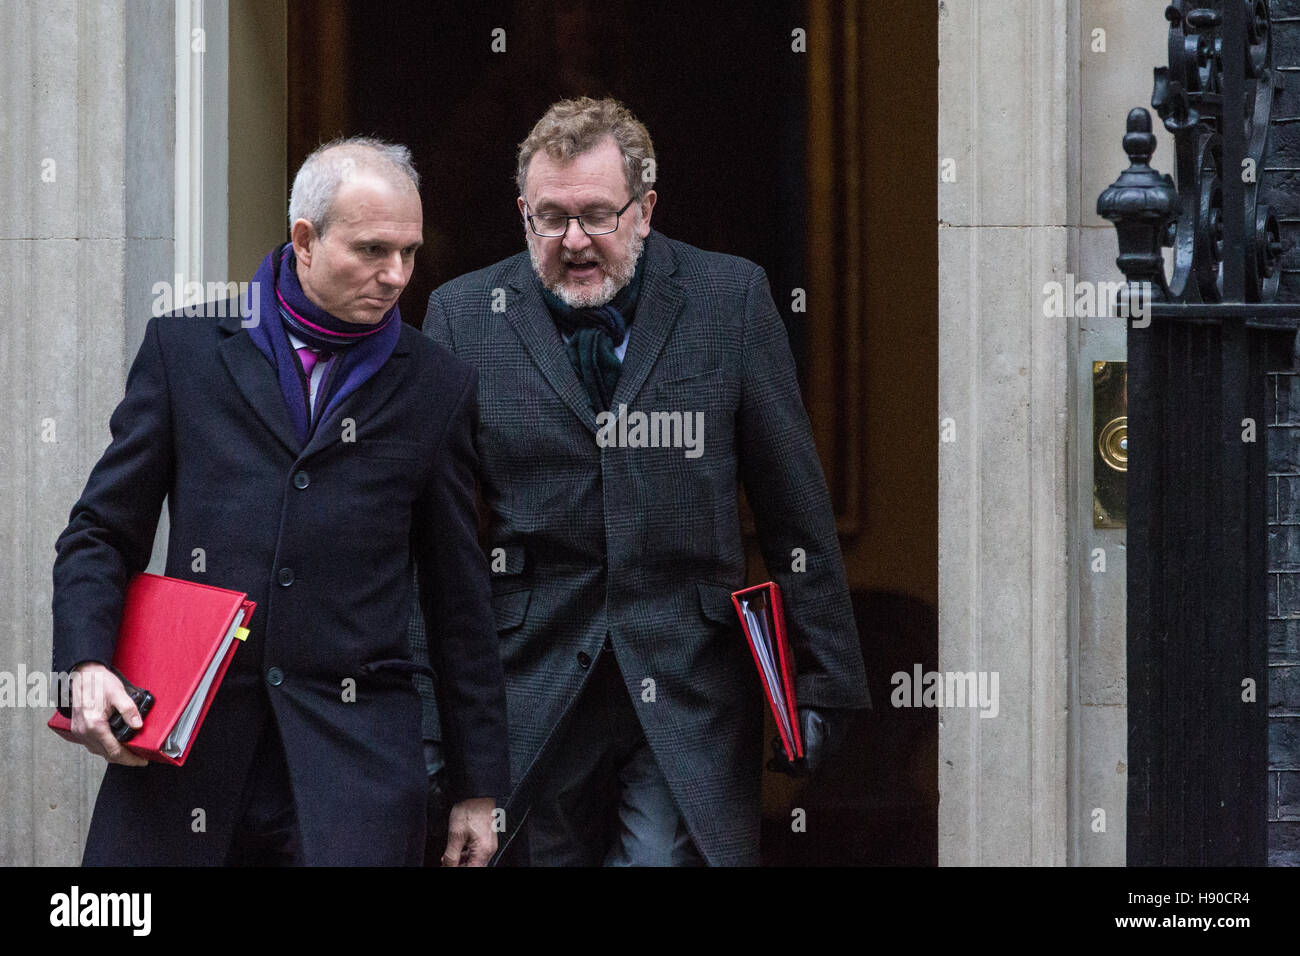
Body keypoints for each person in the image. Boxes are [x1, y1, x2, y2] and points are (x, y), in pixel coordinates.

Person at [416, 98, 869, 866]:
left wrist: (826, 680)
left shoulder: (730, 300)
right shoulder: (463, 316)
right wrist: (432, 721)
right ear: (523, 215)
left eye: (597, 215)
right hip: (530, 678)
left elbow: (794, 505)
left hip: (687, 670)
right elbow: (433, 542)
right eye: (550, 219)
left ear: (645, 208)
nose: (575, 241)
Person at [52, 137, 509, 866]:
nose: (397, 276)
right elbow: (101, 532)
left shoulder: (437, 386)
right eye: (372, 250)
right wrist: (86, 663)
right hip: (184, 748)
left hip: (352, 770)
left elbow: (460, 601)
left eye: (410, 252)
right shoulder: (187, 351)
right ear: (304, 238)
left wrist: (479, 787)